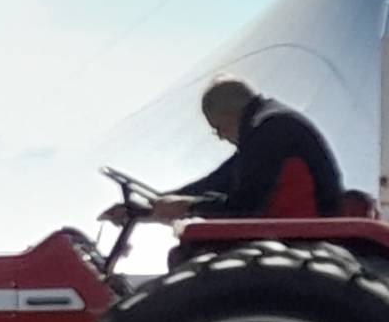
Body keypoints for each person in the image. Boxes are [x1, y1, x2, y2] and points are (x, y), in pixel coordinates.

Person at [105, 78, 346, 225]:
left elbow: (244, 207)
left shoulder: (272, 132)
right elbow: (219, 181)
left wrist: (189, 206)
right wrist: (147, 207)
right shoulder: (266, 128)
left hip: (299, 234)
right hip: (291, 229)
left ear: (232, 114)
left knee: (191, 254)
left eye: (218, 128)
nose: (220, 137)